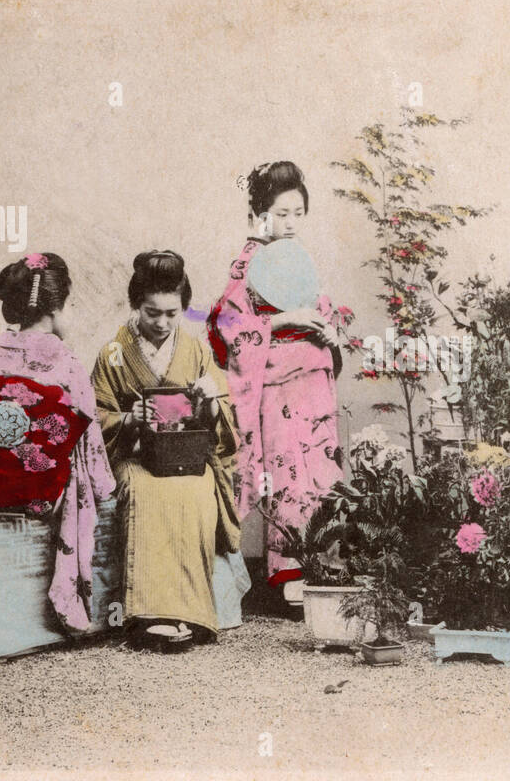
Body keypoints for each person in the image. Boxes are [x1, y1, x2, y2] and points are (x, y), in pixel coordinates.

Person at [207, 161, 348, 605]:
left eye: (297, 214)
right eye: (280, 214)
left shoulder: (297, 258)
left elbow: (324, 309)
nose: (289, 223)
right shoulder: (249, 262)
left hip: (313, 379)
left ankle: (324, 566)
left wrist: (329, 331)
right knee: (287, 474)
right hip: (277, 383)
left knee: (321, 470)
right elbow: (224, 324)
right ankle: (287, 574)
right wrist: (285, 319)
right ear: (259, 215)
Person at [92, 250, 245, 648]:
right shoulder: (113, 353)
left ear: (183, 309)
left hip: (187, 457)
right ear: (135, 305)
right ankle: (149, 615)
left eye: (172, 314)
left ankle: (192, 615)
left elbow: (224, 415)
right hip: (137, 458)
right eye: (151, 312)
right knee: (145, 492)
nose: (161, 323)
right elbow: (96, 417)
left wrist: (210, 400)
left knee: (197, 492)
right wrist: (129, 419)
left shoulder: (196, 350)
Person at [0, 252, 117, 633]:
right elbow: (90, 439)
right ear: (57, 309)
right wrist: (107, 491)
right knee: (79, 448)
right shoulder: (67, 361)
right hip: (42, 492)